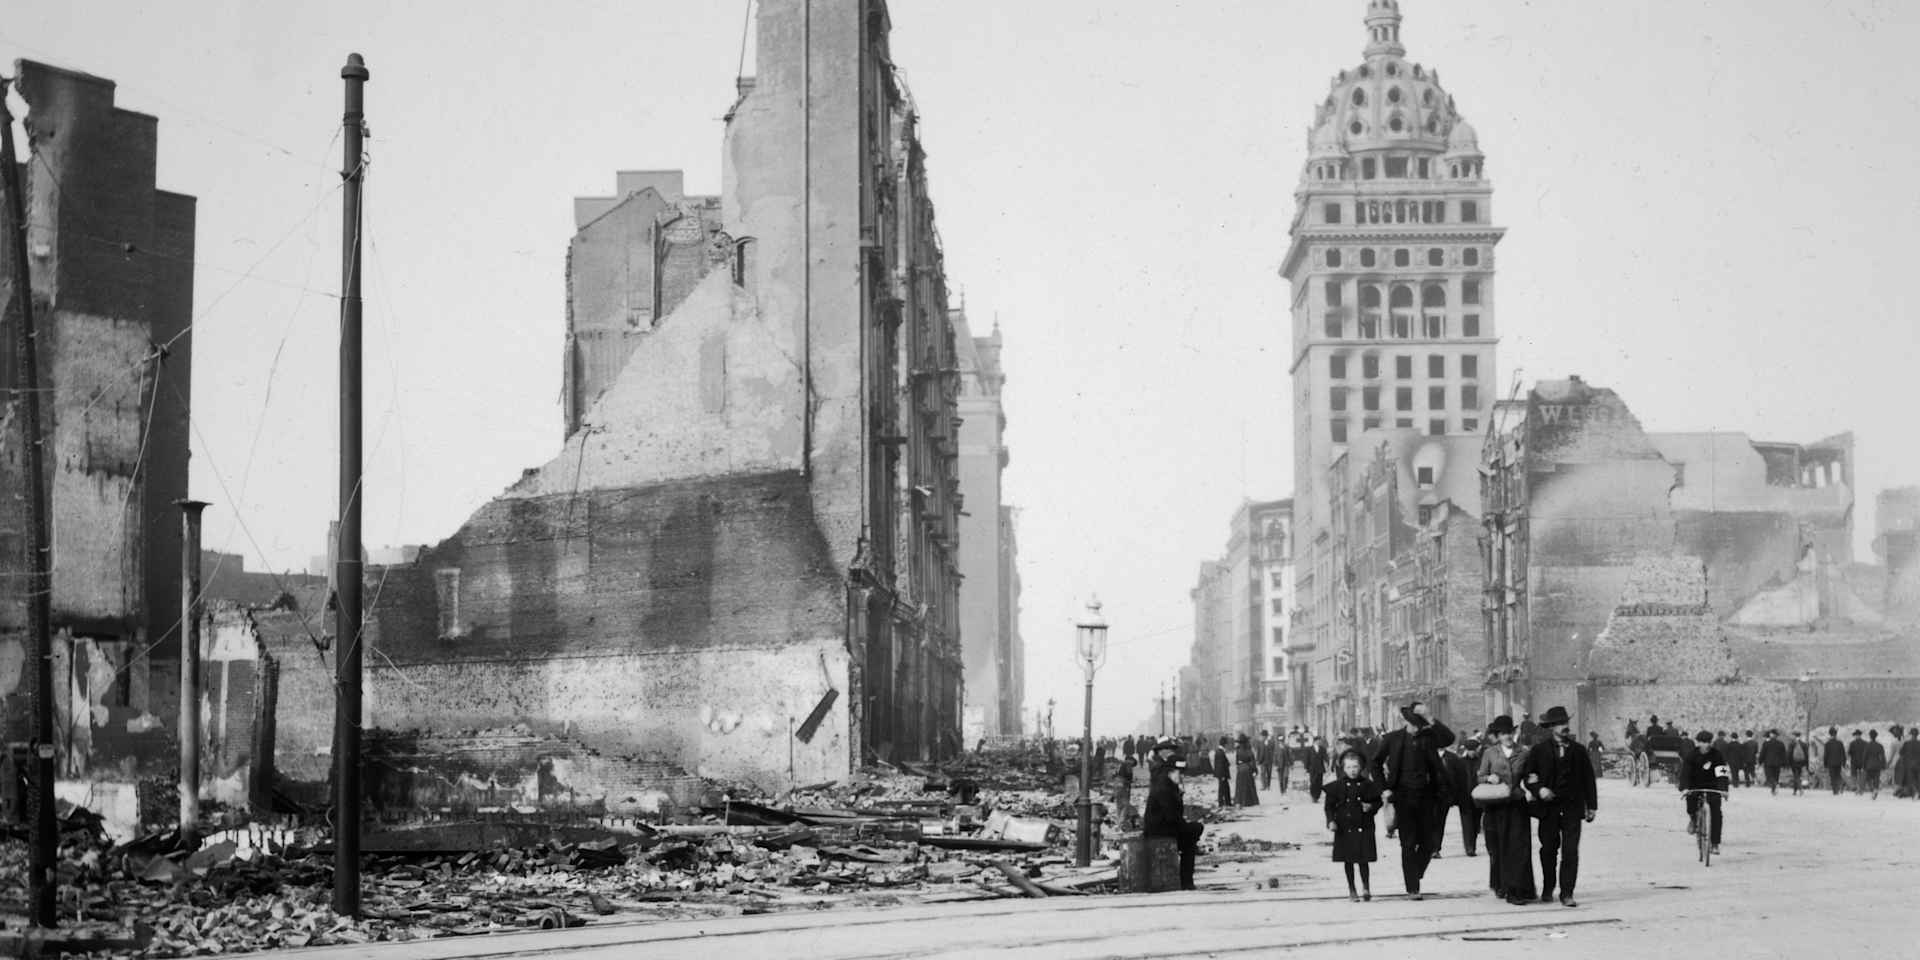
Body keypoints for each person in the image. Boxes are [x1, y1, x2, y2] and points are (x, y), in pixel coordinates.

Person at [1371, 700, 1456, 900]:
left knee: (1429, 842)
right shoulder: (1392, 739)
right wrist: (1384, 788)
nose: (1417, 728)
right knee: (1408, 842)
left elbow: (1449, 738)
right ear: (1406, 722)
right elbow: (1375, 763)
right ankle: (1413, 888)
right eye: (1414, 724)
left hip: (1427, 795)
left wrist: (1430, 717)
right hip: (1402, 796)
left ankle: (1415, 871)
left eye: (1420, 724)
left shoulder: (1429, 737)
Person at [1522, 706, 1598, 908]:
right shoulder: (1539, 750)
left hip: (1573, 808)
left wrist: (1591, 806)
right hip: (1548, 809)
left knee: (1571, 851)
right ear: (1551, 727)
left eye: (1566, 722)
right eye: (1559, 724)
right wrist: (1539, 789)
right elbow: (1529, 776)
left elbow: (1588, 779)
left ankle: (1567, 893)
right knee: (1548, 850)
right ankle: (1548, 888)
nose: (1564, 726)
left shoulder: (1579, 750)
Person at [1478, 715, 1536, 906]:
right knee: (1498, 847)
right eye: (1503, 733)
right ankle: (1501, 884)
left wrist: (1533, 782)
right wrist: (1489, 779)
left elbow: (1529, 776)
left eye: (1510, 732)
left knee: (1518, 847)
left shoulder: (1524, 753)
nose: (1508, 736)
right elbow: (1480, 776)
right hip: (1496, 806)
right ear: (1498, 736)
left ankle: (1517, 890)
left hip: (1517, 804)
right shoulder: (1490, 753)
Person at [1143, 739, 1203, 891]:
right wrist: (1185, 826)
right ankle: (1186, 881)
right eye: (1179, 773)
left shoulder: (1167, 783)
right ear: (1170, 771)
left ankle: (1186, 881)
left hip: (1162, 826)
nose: (1181, 776)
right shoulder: (1164, 787)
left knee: (1192, 834)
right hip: (1160, 830)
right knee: (1192, 836)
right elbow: (1172, 816)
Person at [1325, 748, 1383, 902]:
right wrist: (1330, 821)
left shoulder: (1368, 785)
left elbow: (1378, 801)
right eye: (1349, 767)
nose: (1352, 770)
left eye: (1355, 767)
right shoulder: (1336, 786)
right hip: (1344, 827)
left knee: (1363, 859)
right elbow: (1329, 807)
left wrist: (1371, 807)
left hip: (1364, 825)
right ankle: (1352, 889)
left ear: (1361, 767)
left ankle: (1366, 887)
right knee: (1348, 860)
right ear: (1343, 768)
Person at [1680, 730, 1730, 854]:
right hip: (1695, 785)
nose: (1705, 745)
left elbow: (1722, 774)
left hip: (1713, 786)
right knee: (1691, 803)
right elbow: (1685, 773)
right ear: (1698, 742)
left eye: (1708, 742)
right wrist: (1685, 788)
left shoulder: (1717, 755)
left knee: (1717, 813)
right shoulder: (1691, 755)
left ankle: (1715, 843)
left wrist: (1724, 790)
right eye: (1702, 742)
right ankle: (1693, 819)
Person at [1443, 738, 1481, 857]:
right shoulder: (1460, 762)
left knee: (1476, 823)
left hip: (1478, 796)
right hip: (1464, 796)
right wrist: (1454, 795)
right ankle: (1469, 848)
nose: (1472, 752)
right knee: (1467, 823)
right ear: (1466, 750)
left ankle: (1472, 844)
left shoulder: (1481, 762)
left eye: (1473, 750)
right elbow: (1454, 778)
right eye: (1470, 750)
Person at [1234, 734, 1261, 807]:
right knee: (1248, 786)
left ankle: (1240, 801)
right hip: (1248, 769)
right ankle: (1249, 801)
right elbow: (1252, 761)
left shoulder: (1238, 750)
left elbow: (1237, 762)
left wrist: (1239, 766)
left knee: (1240, 787)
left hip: (1240, 770)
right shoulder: (1249, 750)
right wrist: (1255, 770)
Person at [1759, 730, 1788, 795]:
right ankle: (1773, 790)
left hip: (1768, 763)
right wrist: (1785, 764)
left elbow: (1762, 753)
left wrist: (1760, 761)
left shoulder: (1766, 743)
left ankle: (1774, 785)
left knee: (1769, 777)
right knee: (1776, 777)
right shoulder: (1781, 743)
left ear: (1771, 735)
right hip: (1778, 763)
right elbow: (1784, 755)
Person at [1897, 727, 1920, 800]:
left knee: (1912, 780)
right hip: (1919, 764)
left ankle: (1916, 792)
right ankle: (1917, 792)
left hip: (1910, 765)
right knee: (1918, 779)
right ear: (1917, 735)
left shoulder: (1907, 743)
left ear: (1911, 735)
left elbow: (1901, 753)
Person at [1824, 727, 1848, 796]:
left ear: (1830, 734)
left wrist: (1825, 764)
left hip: (1831, 763)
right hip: (1838, 762)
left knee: (1833, 777)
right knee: (1837, 775)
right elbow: (1843, 754)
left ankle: (1835, 791)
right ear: (1836, 734)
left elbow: (1826, 755)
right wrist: (1844, 763)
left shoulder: (1827, 744)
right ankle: (1841, 783)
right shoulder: (1840, 743)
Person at [1864, 730, 1886, 799]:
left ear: (1870, 736)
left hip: (1869, 765)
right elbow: (1883, 756)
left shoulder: (1867, 745)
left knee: (1868, 779)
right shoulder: (1880, 746)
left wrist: (1864, 765)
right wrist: (1883, 765)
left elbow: (1865, 757)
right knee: (1876, 778)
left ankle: (1872, 790)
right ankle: (1875, 789)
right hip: (1877, 765)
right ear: (1876, 736)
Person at [1306, 735, 1329, 802]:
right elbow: (1307, 759)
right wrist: (1306, 768)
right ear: (1315, 741)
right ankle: (1313, 796)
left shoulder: (1322, 749)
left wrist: (1327, 762)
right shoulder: (1309, 749)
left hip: (1320, 768)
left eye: (1320, 741)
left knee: (1319, 783)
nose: (1320, 742)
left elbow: (1325, 757)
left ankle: (1317, 797)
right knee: (1313, 783)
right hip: (1312, 769)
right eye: (1319, 740)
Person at [1787, 731, 1810, 795]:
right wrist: (1806, 764)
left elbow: (1789, 754)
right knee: (1797, 775)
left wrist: (1788, 763)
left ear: (1794, 736)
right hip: (1801, 763)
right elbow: (1806, 755)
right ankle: (1795, 791)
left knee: (1795, 776)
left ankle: (1800, 788)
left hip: (1793, 762)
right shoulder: (1804, 744)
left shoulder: (1792, 744)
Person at [1212, 737, 1233, 806]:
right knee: (1222, 789)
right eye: (1227, 744)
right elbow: (1220, 765)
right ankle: (1222, 802)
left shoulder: (1219, 751)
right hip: (1222, 774)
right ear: (1225, 744)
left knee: (1225, 788)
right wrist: (1222, 775)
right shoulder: (1220, 752)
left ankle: (1226, 802)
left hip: (1222, 774)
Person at [1846, 730, 1868, 795]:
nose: (1856, 736)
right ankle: (1860, 788)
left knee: (1854, 774)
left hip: (1854, 762)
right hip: (1862, 762)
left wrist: (1848, 760)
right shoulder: (1865, 743)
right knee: (1861, 775)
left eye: (1856, 735)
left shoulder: (1852, 743)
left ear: (1855, 735)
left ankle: (1854, 786)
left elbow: (1848, 753)